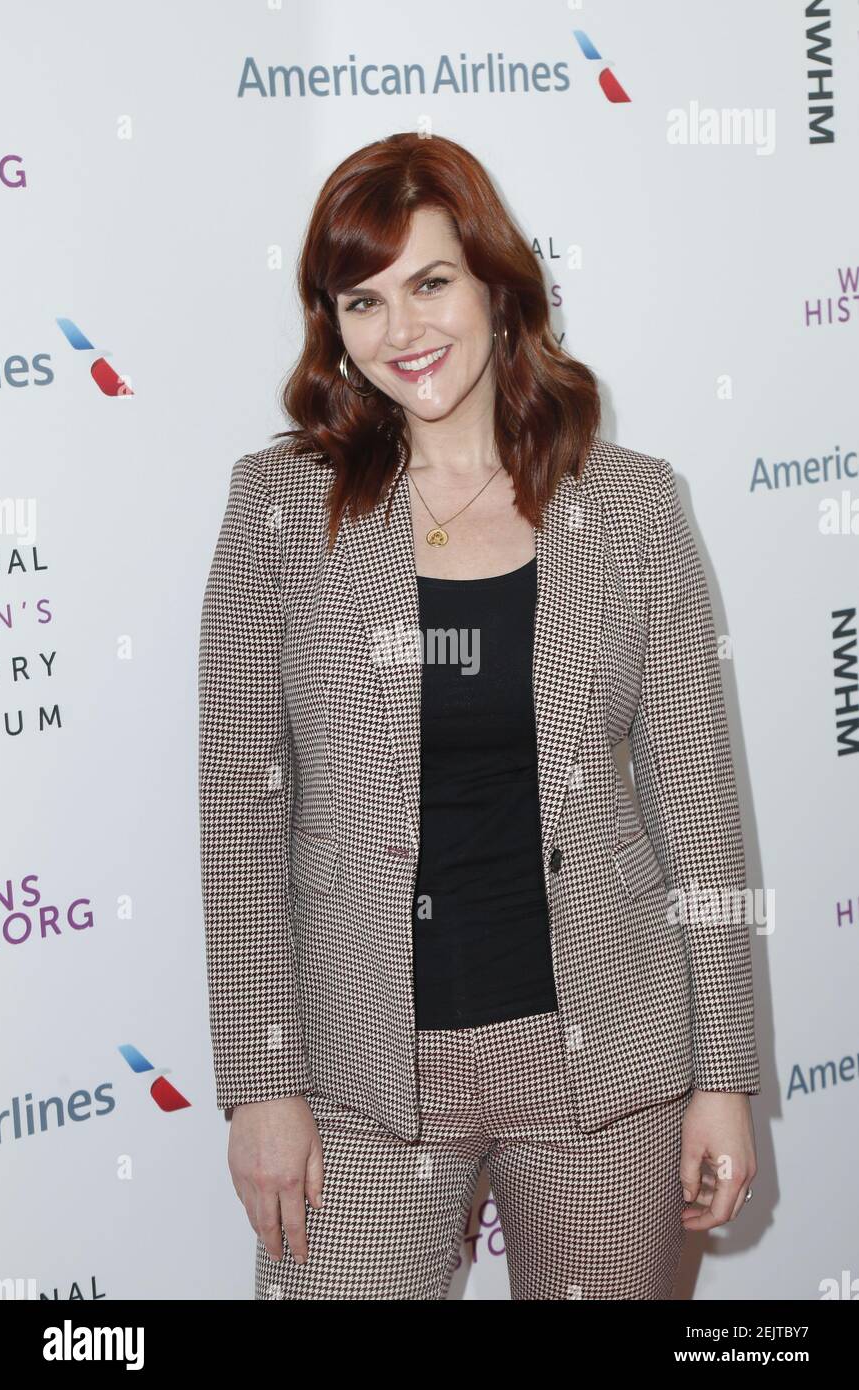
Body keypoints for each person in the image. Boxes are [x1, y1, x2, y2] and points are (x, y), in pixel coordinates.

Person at [198, 132, 760, 1301]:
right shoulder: (278, 510)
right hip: (358, 1070)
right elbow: (239, 817)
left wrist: (723, 1075)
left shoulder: (633, 507)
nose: (401, 329)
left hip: (610, 1065)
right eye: (363, 298)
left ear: (498, 287)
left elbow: (698, 812)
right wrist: (260, 1083)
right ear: (333, 327)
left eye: (430, 282)